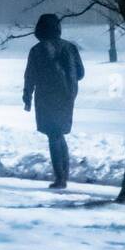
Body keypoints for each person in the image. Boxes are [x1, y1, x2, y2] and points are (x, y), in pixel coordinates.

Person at [22, 13, 85, 191]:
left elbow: (30, 76)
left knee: (53, 135)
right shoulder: (70, 47)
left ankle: (60, 178)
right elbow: (80, 73)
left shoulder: (37, 50)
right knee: (59, 134)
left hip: (46, 96)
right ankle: (63, 175)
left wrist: (27, 97)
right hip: (67, 95)